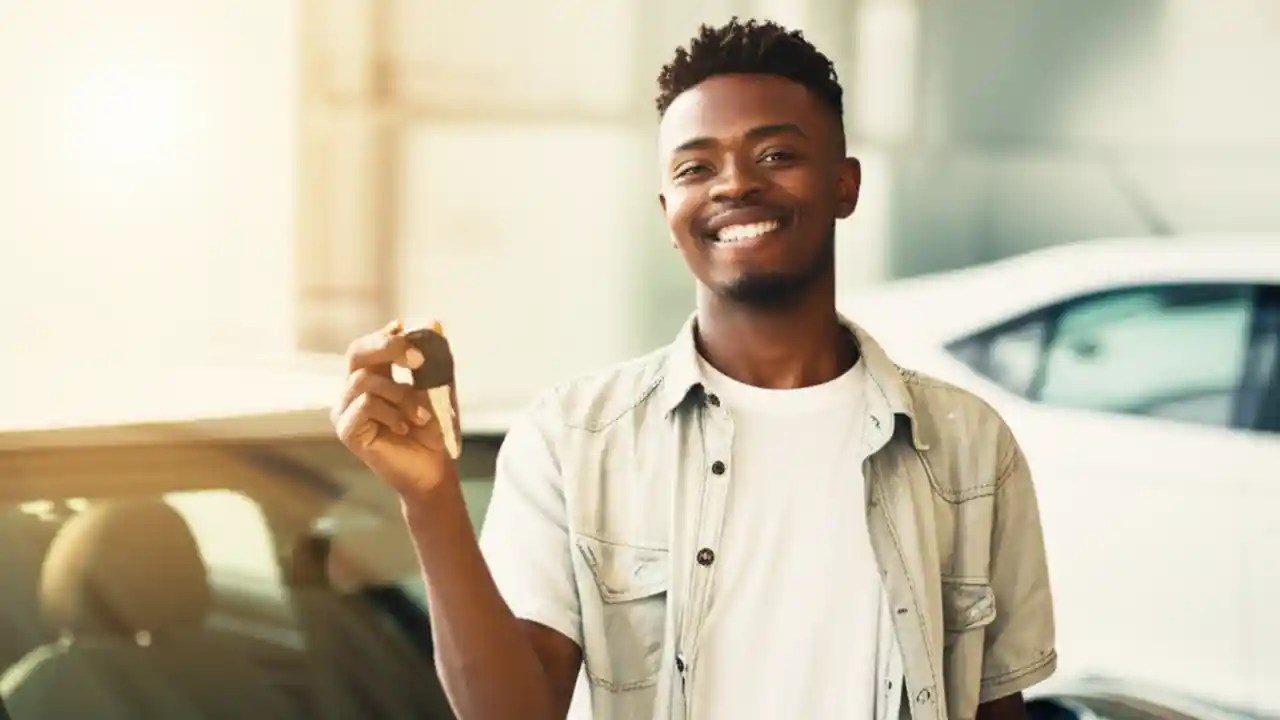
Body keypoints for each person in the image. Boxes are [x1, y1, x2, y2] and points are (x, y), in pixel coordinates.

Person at [332, 17, 1055, 720]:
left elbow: (996, 707)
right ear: (668, 210)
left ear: (845, 185)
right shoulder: (575, 438)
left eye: (775, 154)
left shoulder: (967, 445)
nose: (733, 184)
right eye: (695, 167)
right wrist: (430, 500)